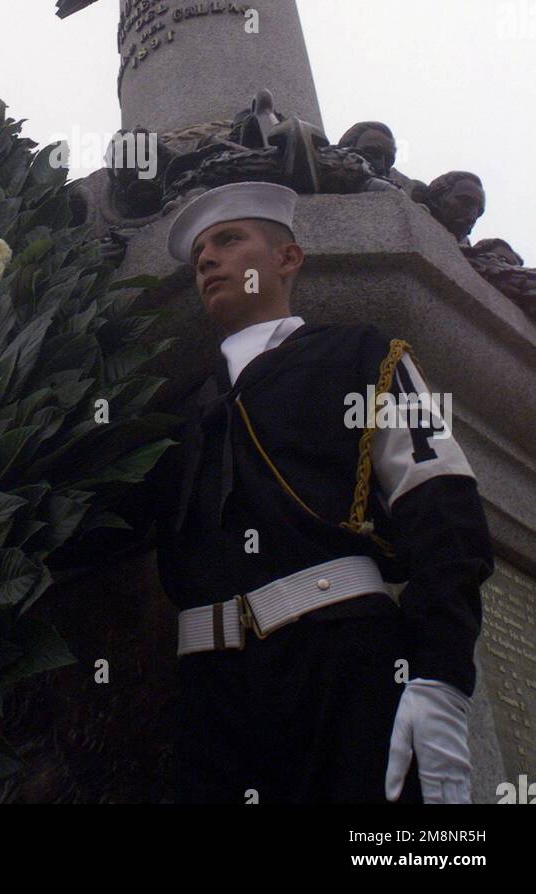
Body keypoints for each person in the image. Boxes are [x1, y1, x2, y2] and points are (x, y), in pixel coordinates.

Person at [148, 180, 494, 804]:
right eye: (201, 251)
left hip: (343, 666)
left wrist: (440, 674)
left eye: (229, 239)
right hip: (209, 701)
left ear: (288, 259)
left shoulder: (359, 354)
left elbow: (440, 506)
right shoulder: (174, 418)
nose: (207, 260)